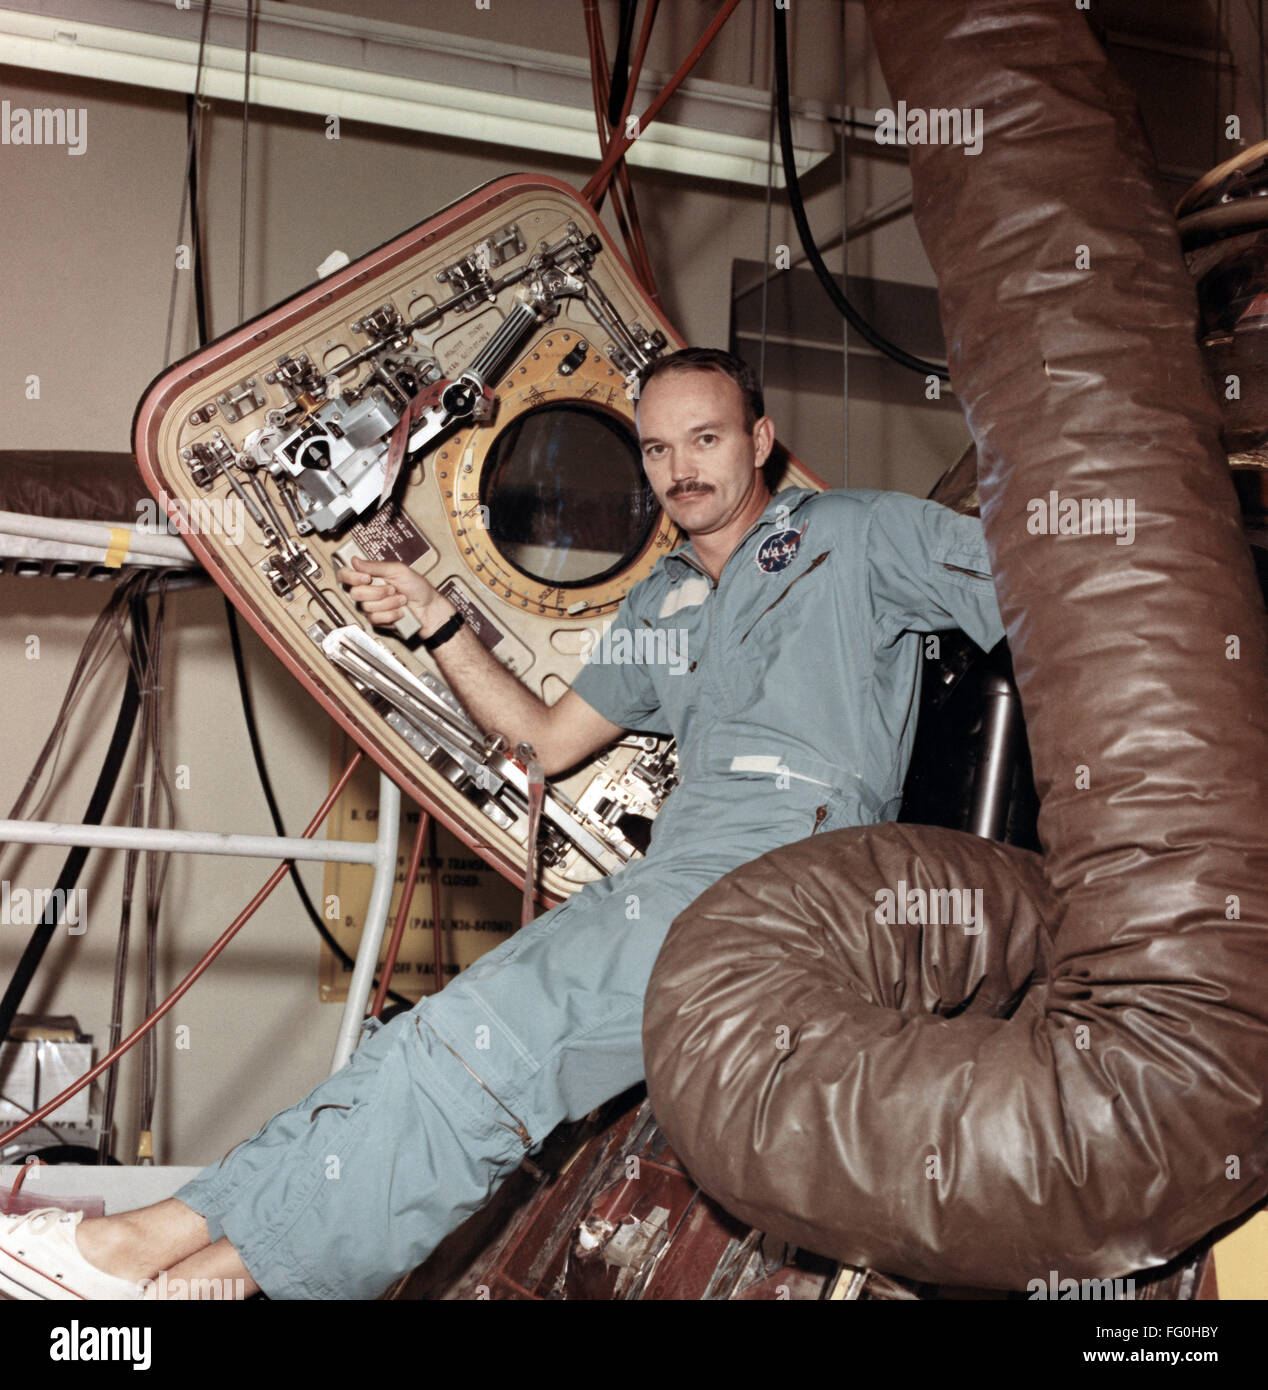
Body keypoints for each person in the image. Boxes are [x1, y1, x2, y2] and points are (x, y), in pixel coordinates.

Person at [0, 348, 1005, 1300]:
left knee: (489, 1047)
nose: (678, 470)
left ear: (761, 438)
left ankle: (170, 1258)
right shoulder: (662, 603)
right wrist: (434, 618)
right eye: (655, 449)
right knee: (422, 1039)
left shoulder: (859, 534)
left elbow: (1041, 599)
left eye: (704, 440)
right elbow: (542, 737)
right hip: (687, 864)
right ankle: (172, 1260)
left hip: (792, 869)